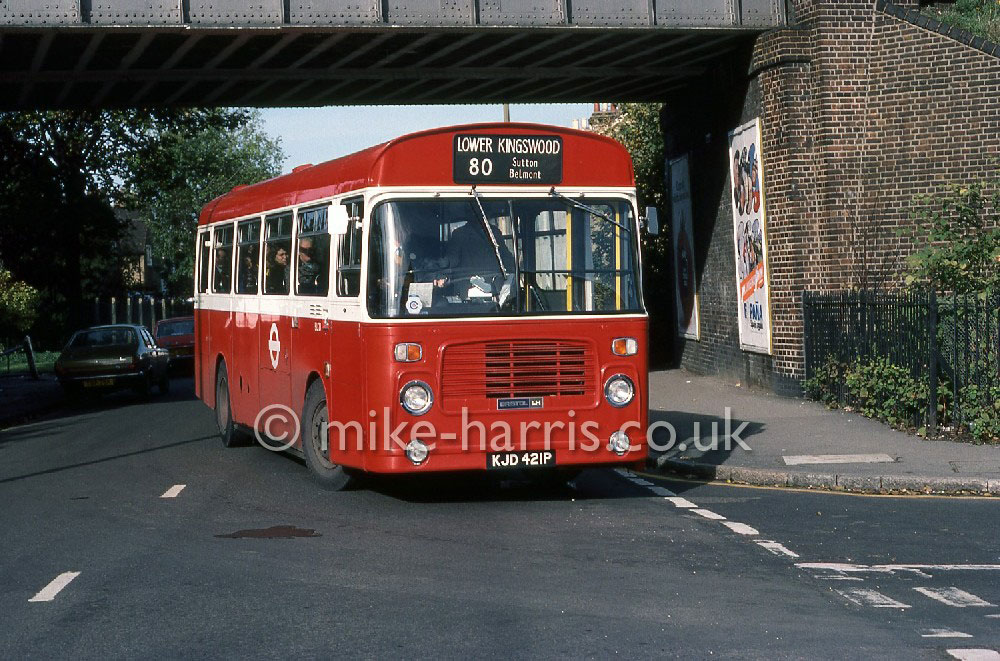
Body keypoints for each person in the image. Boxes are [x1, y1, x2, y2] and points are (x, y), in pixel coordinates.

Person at [433, 218, 514, 299]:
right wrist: (442, 266)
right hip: (468, 290)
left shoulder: (494, 233)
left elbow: (506, 257)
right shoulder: (460, 234)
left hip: (494, 289)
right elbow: (452, 259)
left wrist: (517, 269)